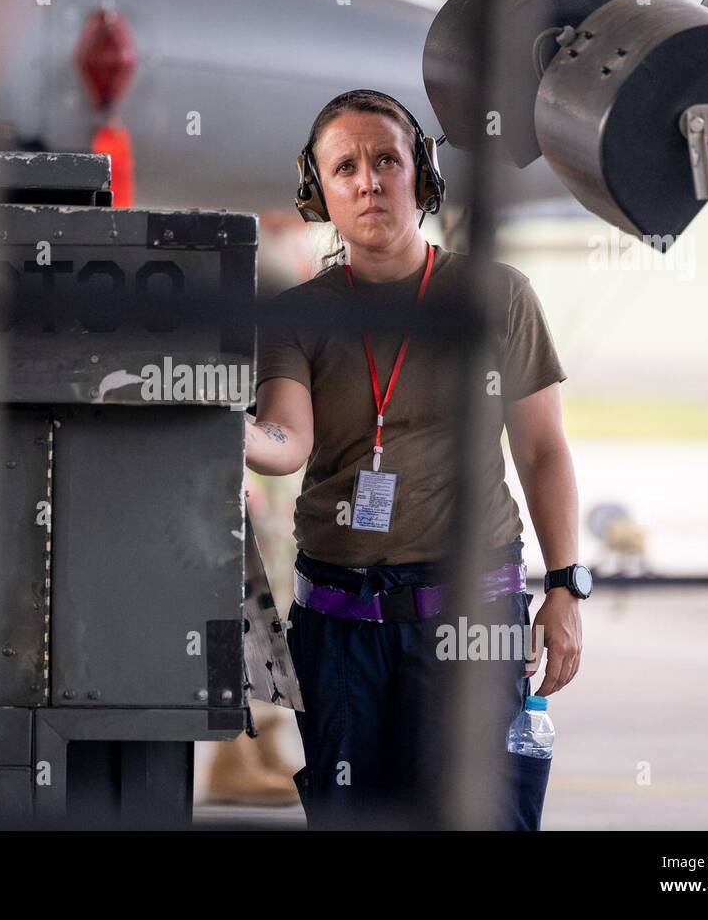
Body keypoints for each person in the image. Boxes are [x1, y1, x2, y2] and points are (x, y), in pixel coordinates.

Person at [245, 89, 588, 829]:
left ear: (421, 175)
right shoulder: (297, 316)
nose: (368, 181)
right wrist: (217, 430)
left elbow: (543, 449)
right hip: (337, 629)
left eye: (386, 160)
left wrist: (566, 586)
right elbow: (287, 438)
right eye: (345, 168)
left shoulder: (496, 298)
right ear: (319, 190)